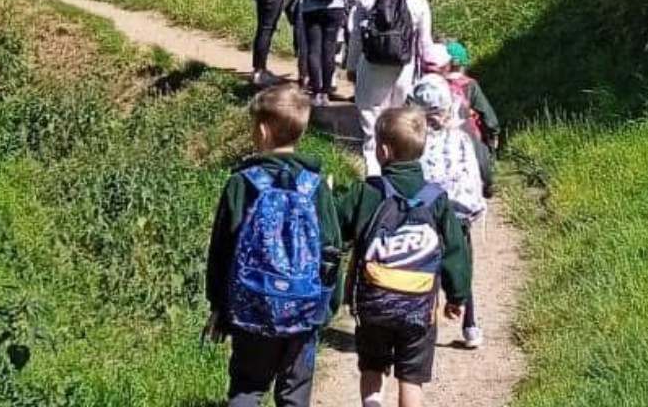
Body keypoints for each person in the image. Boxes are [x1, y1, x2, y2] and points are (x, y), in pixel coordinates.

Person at [205, 84, 342, 407]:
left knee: (247, 387)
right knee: (294, 392)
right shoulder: (315, 186)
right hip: (303, 307)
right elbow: (332, 249)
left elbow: (221, 250)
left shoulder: (242, 182)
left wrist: (219, 306)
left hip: (251, 305)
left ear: (263, 131)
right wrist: (327, 306)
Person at [338, 106, 471, 407]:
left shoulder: (366, 192)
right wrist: (457, 296)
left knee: (372, 367)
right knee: (411, 378)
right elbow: (455, 251)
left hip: (374, 303)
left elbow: (337, 227)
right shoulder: (436, 199)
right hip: (418, 306)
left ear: (384, 150)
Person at [410, 74, 487, 350]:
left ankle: (425, 326)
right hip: (460, 212)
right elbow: (481, 170)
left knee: (426, 267)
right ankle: (471, 324)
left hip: (426, 214)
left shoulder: (413, 142)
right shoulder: (462, 139)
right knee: (463, 263)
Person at [346, 0, 437, 175]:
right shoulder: (418, 1)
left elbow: (356, 37)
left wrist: (351, 66)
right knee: (400, 124)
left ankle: (374, 179)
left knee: (371, 130)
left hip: (371, 68)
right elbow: (425, 46)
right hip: (404, 71)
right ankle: (398, 176)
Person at [443, 40, 501, 198]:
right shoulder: (470, 85)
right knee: (480, 152)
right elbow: (486, 112)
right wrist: (494, 130)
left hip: (442, 130)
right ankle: (486, 183)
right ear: (463, 64)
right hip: (466, 130)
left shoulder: (437, 84)